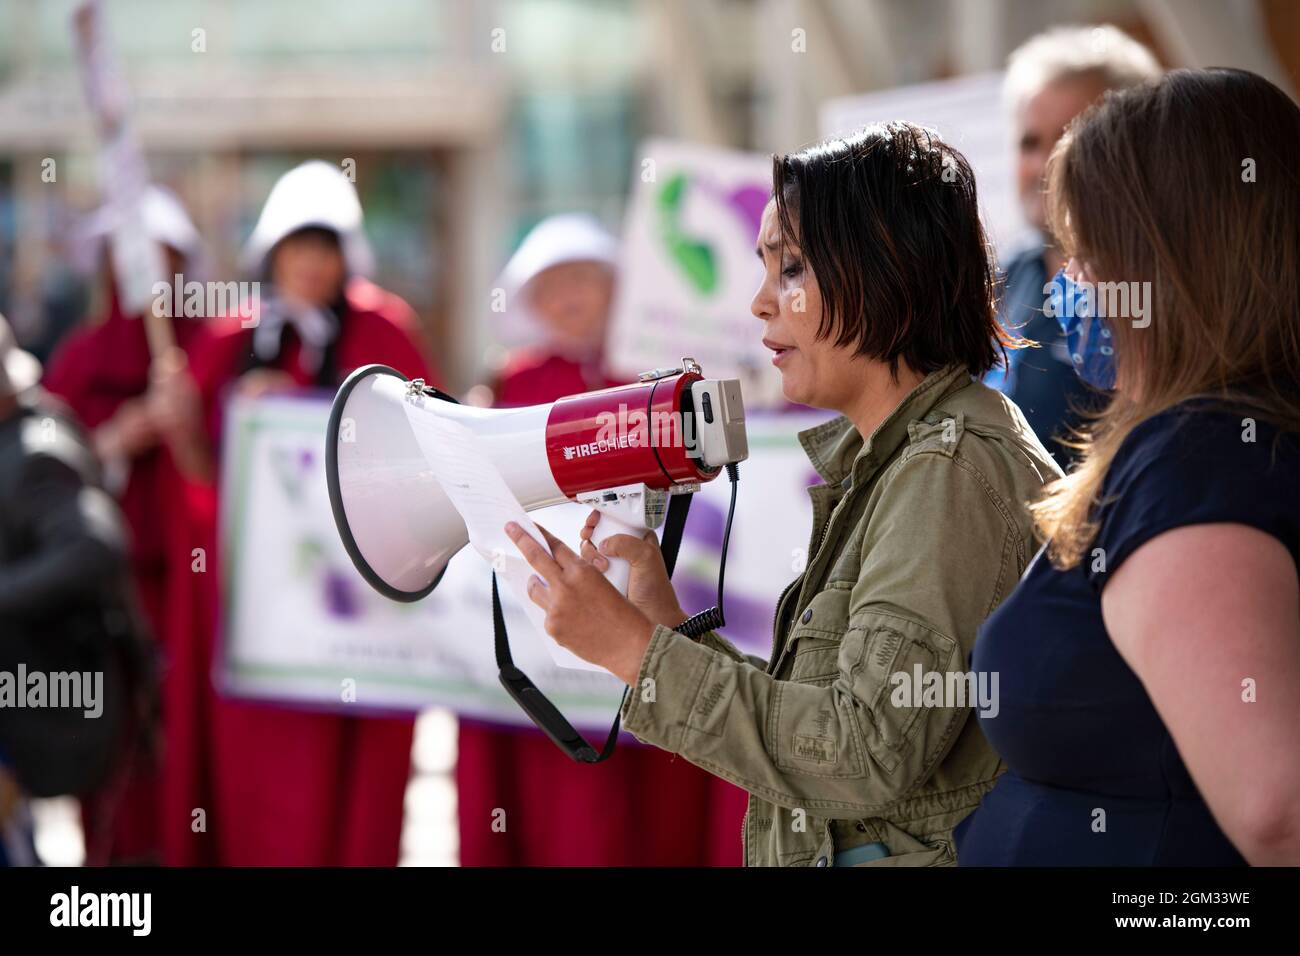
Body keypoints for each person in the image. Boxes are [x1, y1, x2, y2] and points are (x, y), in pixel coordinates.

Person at [505, 123, 1061, 866]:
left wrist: (639, 655)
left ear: (883, 268)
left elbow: (862, 754)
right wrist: (670, 637)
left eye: (791, 268)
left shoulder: (947, 471)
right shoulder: (901, 458)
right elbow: (833, 726)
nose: (762, 303)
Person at [955, 69, 1300, 865]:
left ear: (1175, 262)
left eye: (1088, 251)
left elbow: (1273, 809)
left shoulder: (1199, 462)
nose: (1069, 283)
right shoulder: (1211, 444)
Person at [151, 160, 439, 865]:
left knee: (354, 784)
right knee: (255, 777)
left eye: (326, 246)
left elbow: (426, 454)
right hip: (256, 605)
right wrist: (185, 419)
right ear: (271, 252)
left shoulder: (385, 332)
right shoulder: (224, 341)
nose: (310, 264)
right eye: (296, 247)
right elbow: (197, 485)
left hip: (355, 607)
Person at [456, 213, 748, 866]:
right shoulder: (510, 384)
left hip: (656, 616)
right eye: (550, 288)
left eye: (580, 280)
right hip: (545, 634)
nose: (566, 300)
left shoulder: (666, 376)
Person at [42, 185, 206, 865]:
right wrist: (115, 440)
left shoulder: (202, 352)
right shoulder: (80, 358)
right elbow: (44, 469)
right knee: (108, 736)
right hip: (102, 592)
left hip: (189, 588)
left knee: (182, 731)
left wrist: (186, 421)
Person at [990, 25, 1159, 465]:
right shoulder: (1002, 278)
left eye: (1071, 138)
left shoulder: (1162, 291)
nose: (1046, 165)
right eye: (1030, 142)